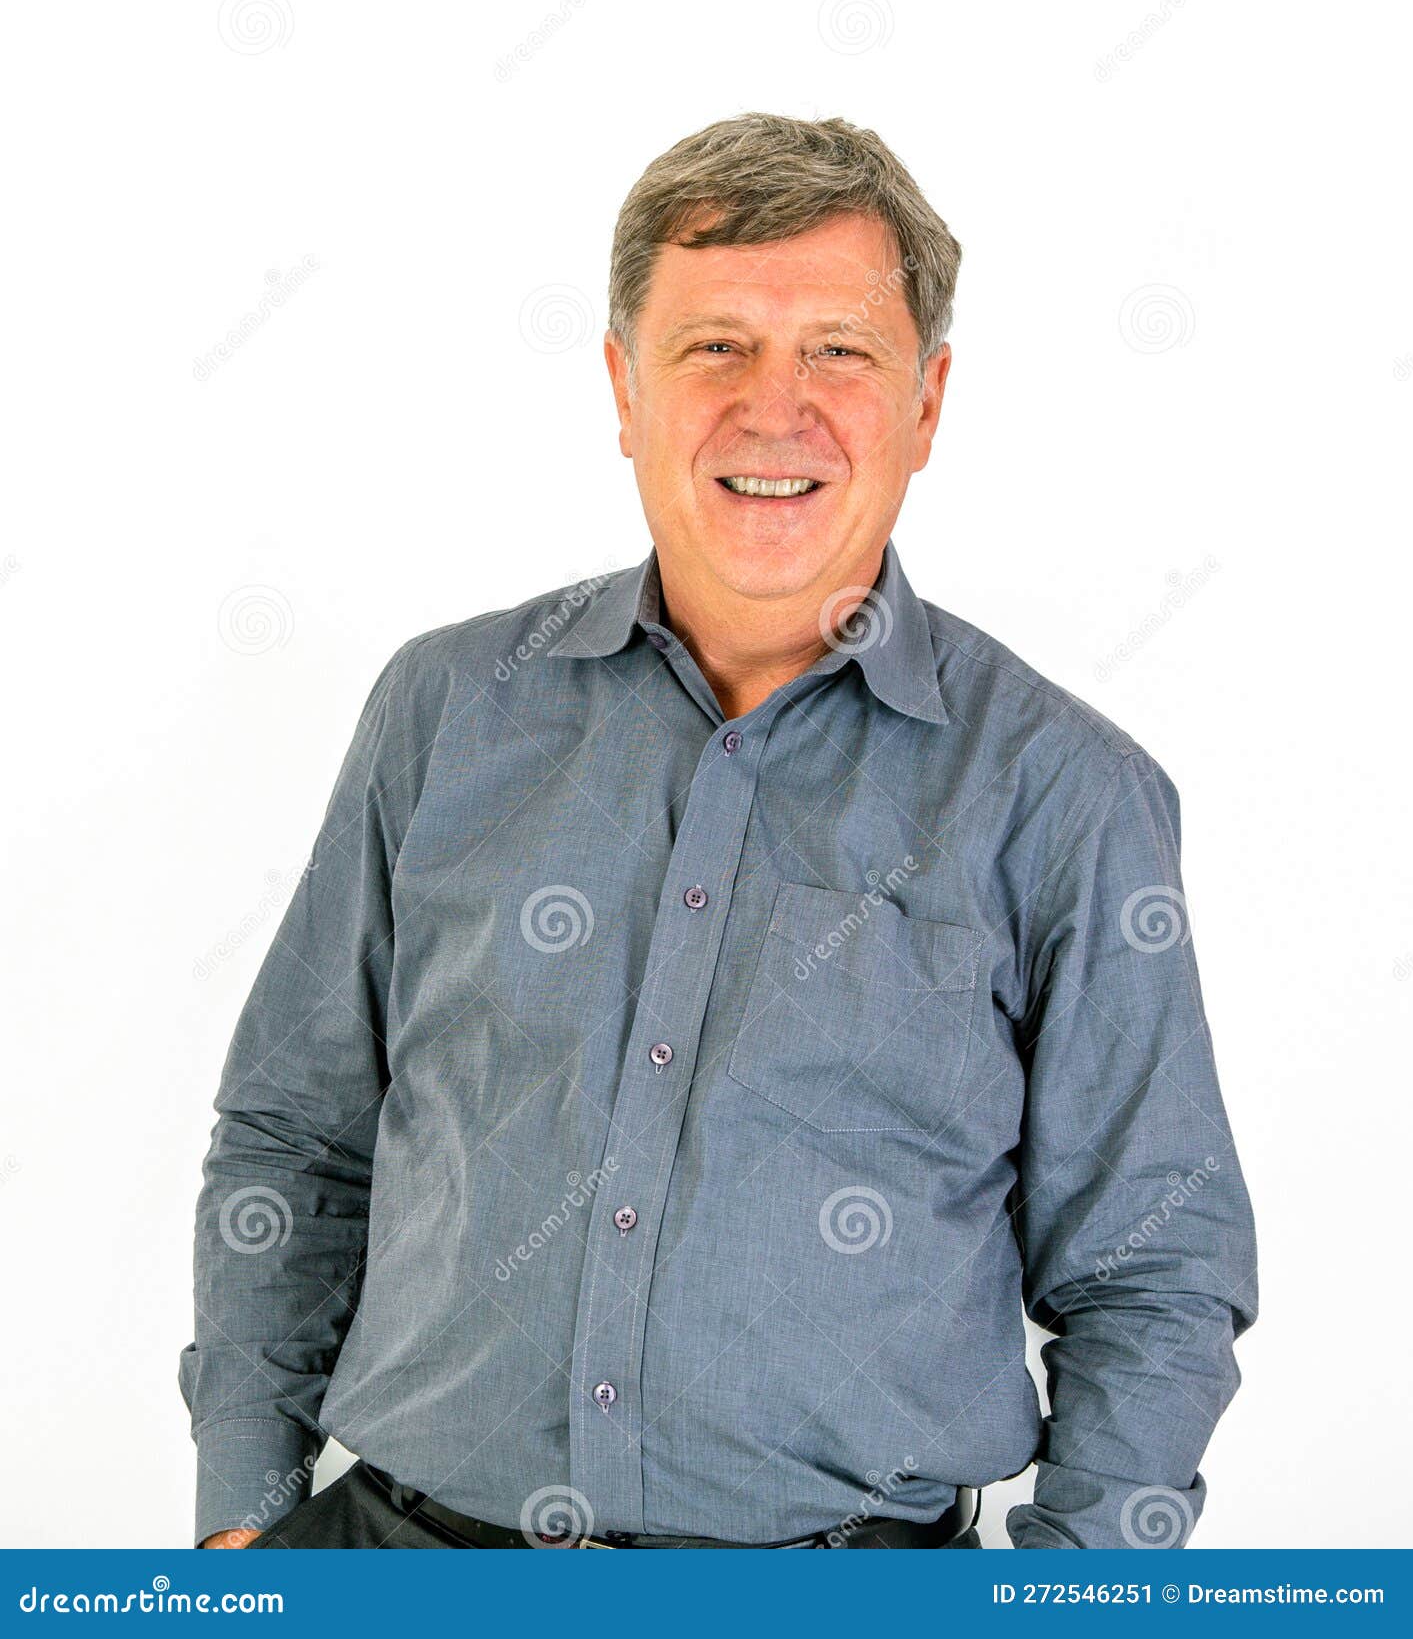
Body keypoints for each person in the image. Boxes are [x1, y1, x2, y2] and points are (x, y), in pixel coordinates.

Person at [182, 112, 1257, 1551]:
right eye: (715, 348)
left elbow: (1153, 1272)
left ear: (926, 403)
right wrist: (240, 1529)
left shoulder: (1063, 792)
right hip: (402, 1558)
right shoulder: (444, 712)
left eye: (838, 350)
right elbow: (291, 1138)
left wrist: (1071, 1593)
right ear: (623, 389)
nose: (775, 406)